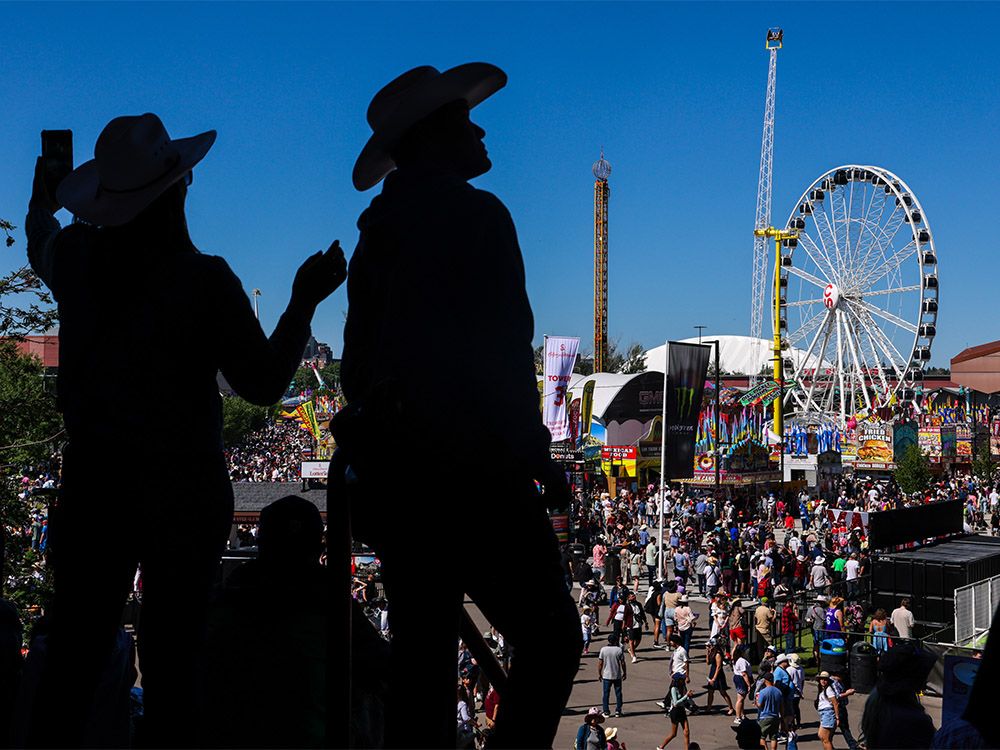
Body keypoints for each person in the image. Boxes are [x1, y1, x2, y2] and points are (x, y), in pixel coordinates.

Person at [25, 113, 346, 747]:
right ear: (176, 190)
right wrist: (304, 299)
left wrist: (45, 188)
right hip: (183, 493)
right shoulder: (203, 282)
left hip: (96, 489)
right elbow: (260, 382)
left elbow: (40, 235)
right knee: (176, 666)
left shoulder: (80, 263)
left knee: (74, 655)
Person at [339, 63, 581, 747]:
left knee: (421, 660)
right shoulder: (478, 216)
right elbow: (505, 352)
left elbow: (358, 366)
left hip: (397, 481)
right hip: (473, 474)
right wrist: (538, 460)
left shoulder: (376, 234)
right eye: (464, 119)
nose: (479, 128)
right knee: (553, 636)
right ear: (435, 135)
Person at [656, 673, 694, 750]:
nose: (683, 680)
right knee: (674, 734)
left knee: (686, 732)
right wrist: (686, 696)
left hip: (682, 710)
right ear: (678, 680)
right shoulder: (673, 689)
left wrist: (690, 699)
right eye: (682, 679)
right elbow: (676, 703)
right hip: (675, 712)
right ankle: (661, 747)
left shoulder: (683, 687)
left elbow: (685, 698)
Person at [598, 634, 627, 718]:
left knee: (606, 694)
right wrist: (624, 672)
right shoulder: (619, 650)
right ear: (615, 641)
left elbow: (600, 663)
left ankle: (606, 711)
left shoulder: (603, 650)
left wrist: (599, 674)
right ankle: (618, 710)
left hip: (606, 675)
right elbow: (622, 663)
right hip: (616, 675)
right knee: (618, 694)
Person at [704, 638, 735, 716]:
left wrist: (714, 678)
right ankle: (708, 708)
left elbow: (719, 667)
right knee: (710, 691)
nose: (707, 647)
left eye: (709, 645)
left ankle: (731, 708)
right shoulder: (711, 652)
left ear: (713, 645)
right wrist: (707, 653)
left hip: (718, 674)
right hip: (712, 672)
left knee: (723, 692)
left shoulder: (718, 654)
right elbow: (708, 663)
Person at [830, 671, 859, 750]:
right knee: (835, 728)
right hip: (837, 708)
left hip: (841, 707)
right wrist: (847, 693)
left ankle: (852, 745)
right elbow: (836, 696)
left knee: (843, 728)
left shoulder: (838, 682)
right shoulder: (833, 682)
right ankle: (828, 744)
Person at [755, 672, 784, 750]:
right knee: (774, 737)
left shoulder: (763, 692)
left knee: (762, 737)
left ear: (765, 680)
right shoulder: (778, 692)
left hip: (764, 717)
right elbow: (781, 707)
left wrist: (756, 702)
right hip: (775, 717)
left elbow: (760, 705)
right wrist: (782, 717)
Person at [816, 672, 840, 750]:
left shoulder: (829, 689)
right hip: (824, 714)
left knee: (826, 739)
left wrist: (837, 717)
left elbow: (835, 703)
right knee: (821, 736)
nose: (823, 681)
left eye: (825, 679)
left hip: (828, 714)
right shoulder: (823, 689)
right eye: (821, 679)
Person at [732, 644, 753, 725]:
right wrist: (748, 685)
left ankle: (742, 715)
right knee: (740, 699)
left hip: (738, 678)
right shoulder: (742, 661)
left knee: (742, 698)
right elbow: (744, 674)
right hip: (741, 679)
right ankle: (737, 717)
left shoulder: (737, 659)